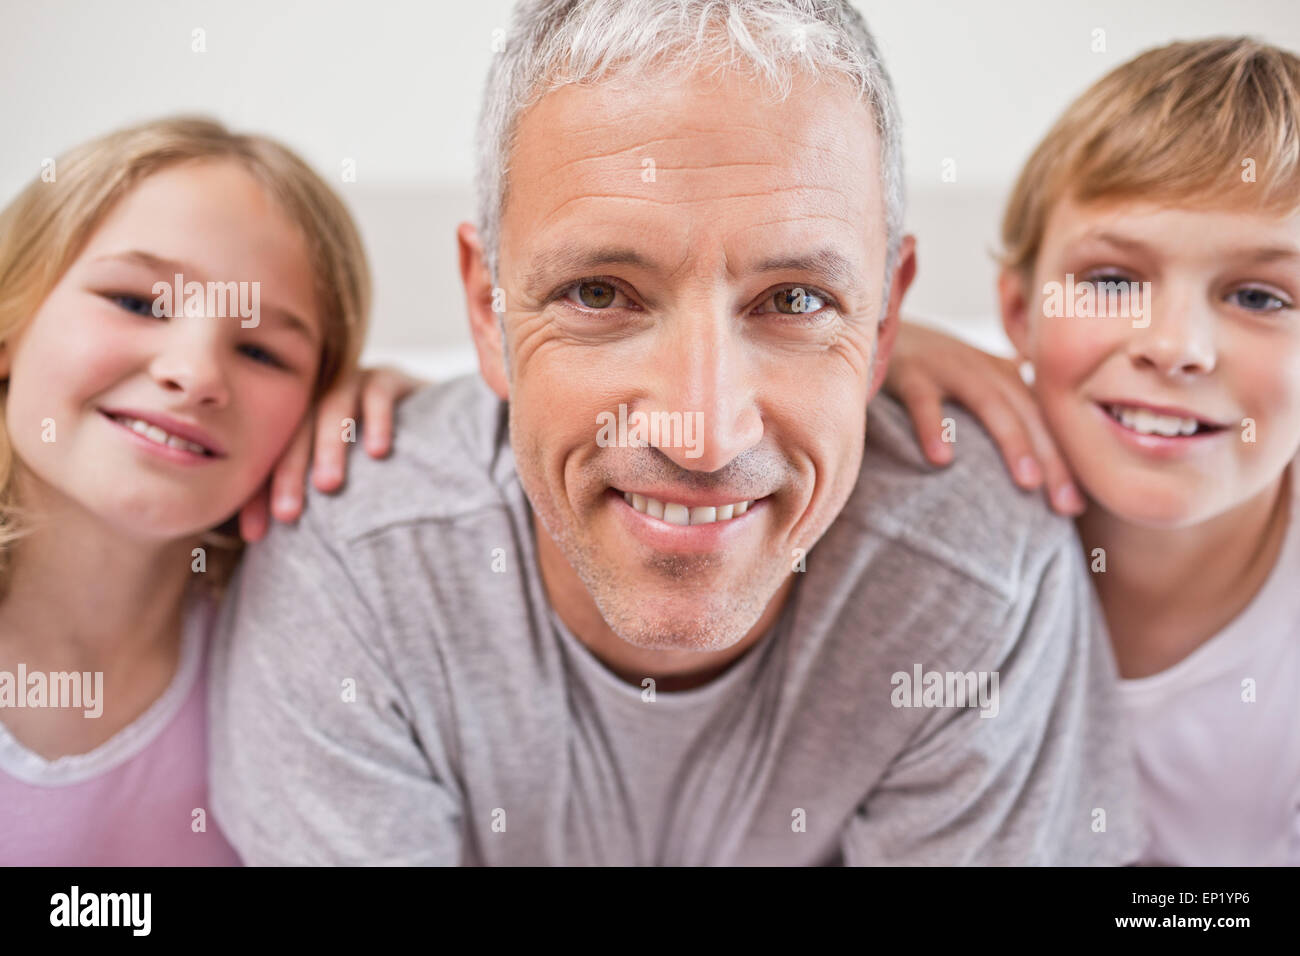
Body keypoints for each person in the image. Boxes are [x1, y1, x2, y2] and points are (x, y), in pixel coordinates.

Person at [209, 0, 1140, 865]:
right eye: (601, 293)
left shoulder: (977, 580)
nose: (700, 435)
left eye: (797, 300)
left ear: (885, 326)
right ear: (487, 312)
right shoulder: (355, 570)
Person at [883, 37, 1300, 865]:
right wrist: (871, 347)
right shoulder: (942, 488)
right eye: (1113, 281)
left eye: (1260, 295)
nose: (1176, 346)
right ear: (1017, 312)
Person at [0, 116, 418, 864]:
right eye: (138, 303)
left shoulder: (296, 647)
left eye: (260, 349)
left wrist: (413, 425)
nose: (194, 375)